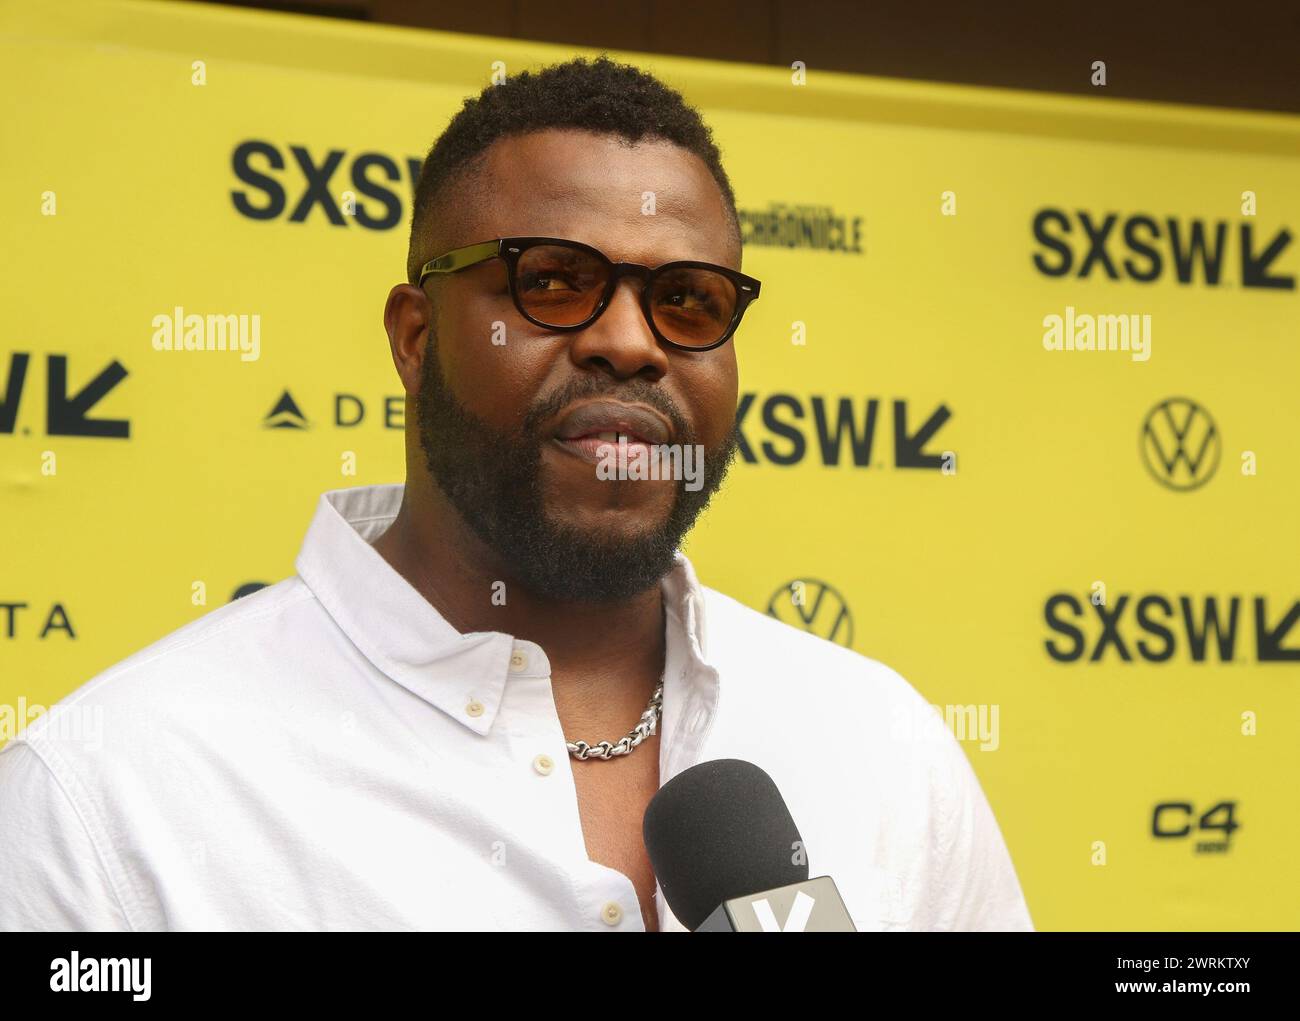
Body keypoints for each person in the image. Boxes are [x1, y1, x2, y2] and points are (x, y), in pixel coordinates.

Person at [0, 55, 1032, 932]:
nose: (629, 342)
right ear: (416, 337)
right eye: (551, 280)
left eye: (686, 300)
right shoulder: (112, 795)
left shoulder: (881, 744)